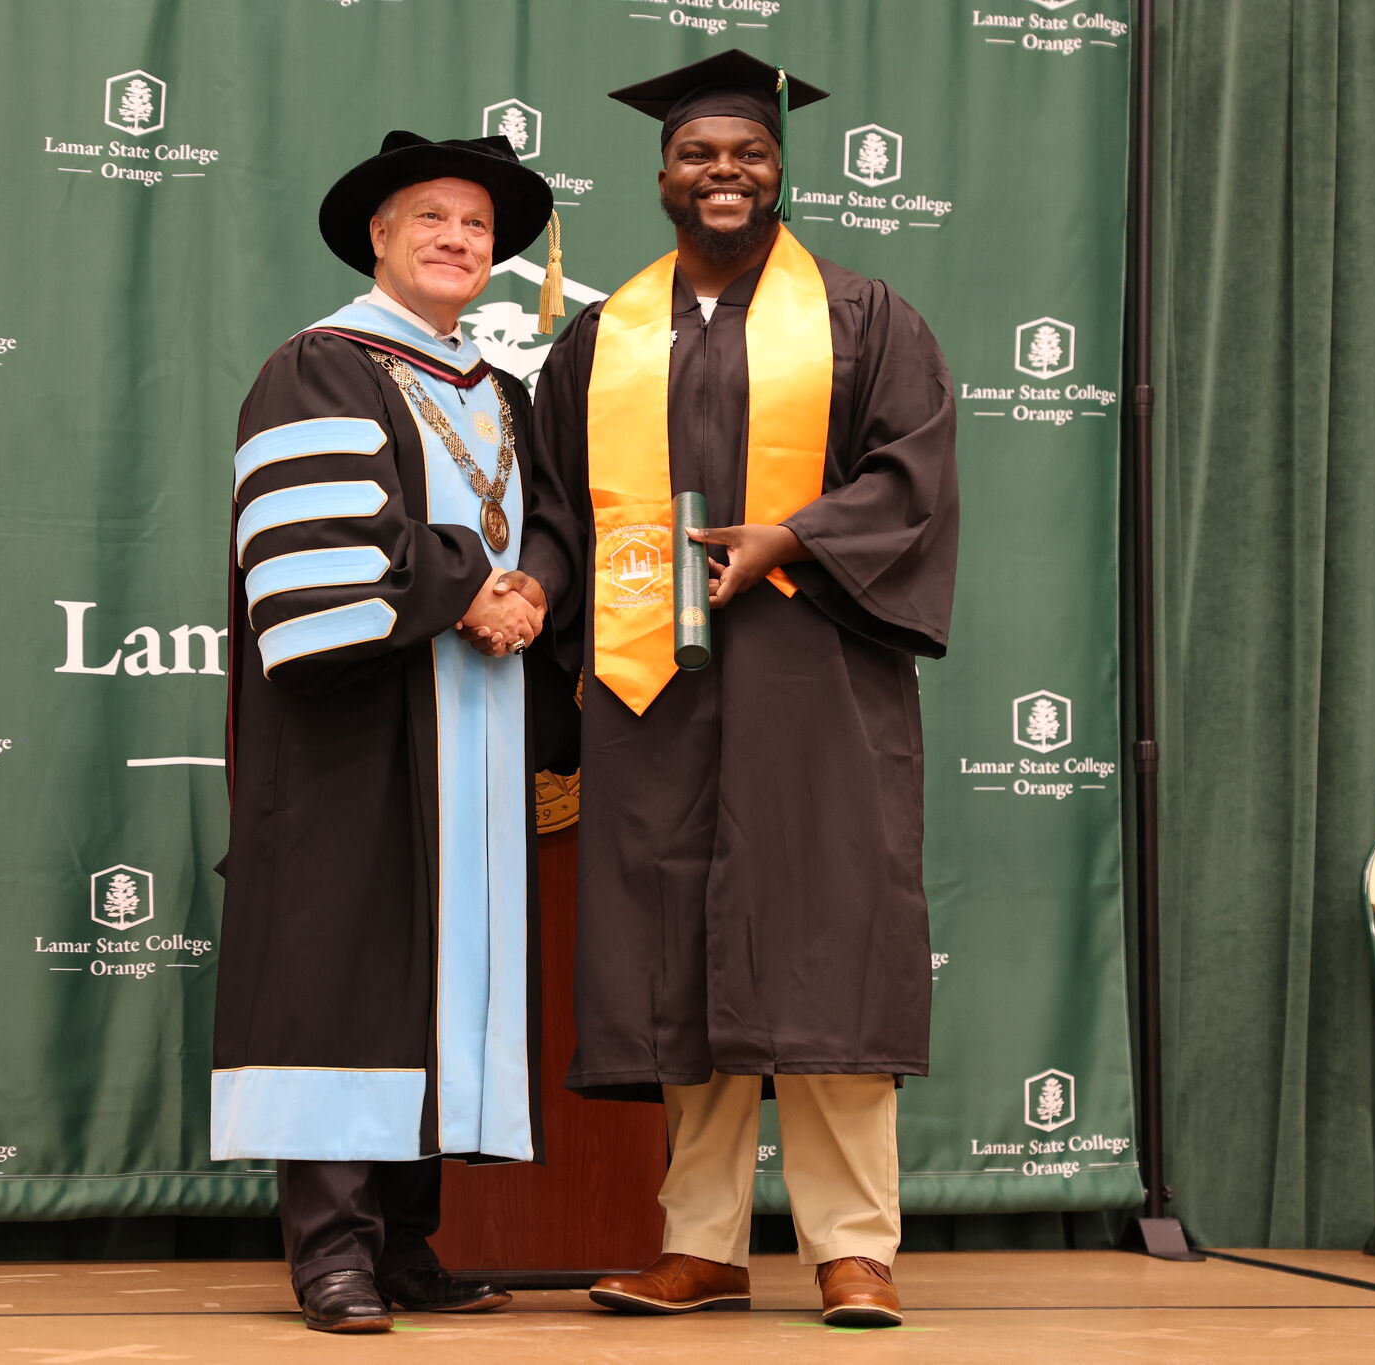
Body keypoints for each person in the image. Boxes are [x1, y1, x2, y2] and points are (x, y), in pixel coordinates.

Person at [520, 50, 959, 1329]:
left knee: (825, 949)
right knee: (677, 957)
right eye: (699, 155)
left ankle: (851, 1249)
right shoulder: (602, 338)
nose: (724, 173)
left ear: (780, 167)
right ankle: (698, 1244)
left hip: (813, 676)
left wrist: (795, 538)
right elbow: (556, 503)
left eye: (746, 154)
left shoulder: (863, 317)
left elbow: (912, 473)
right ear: (661, 175)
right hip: (652, 688)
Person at [210, 130, 551, 1335]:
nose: (458, 240)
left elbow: (549, 518)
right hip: (357, 728)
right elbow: (316, 561)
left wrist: (536, 590)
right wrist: (472, 586)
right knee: (344, 971)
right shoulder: (317, 368)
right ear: (379, 236)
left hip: (477, 723)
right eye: (431, 220)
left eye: (475, 226)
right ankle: (331, 1255)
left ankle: (405, 1241)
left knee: (440, 971)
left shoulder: (500, 388)